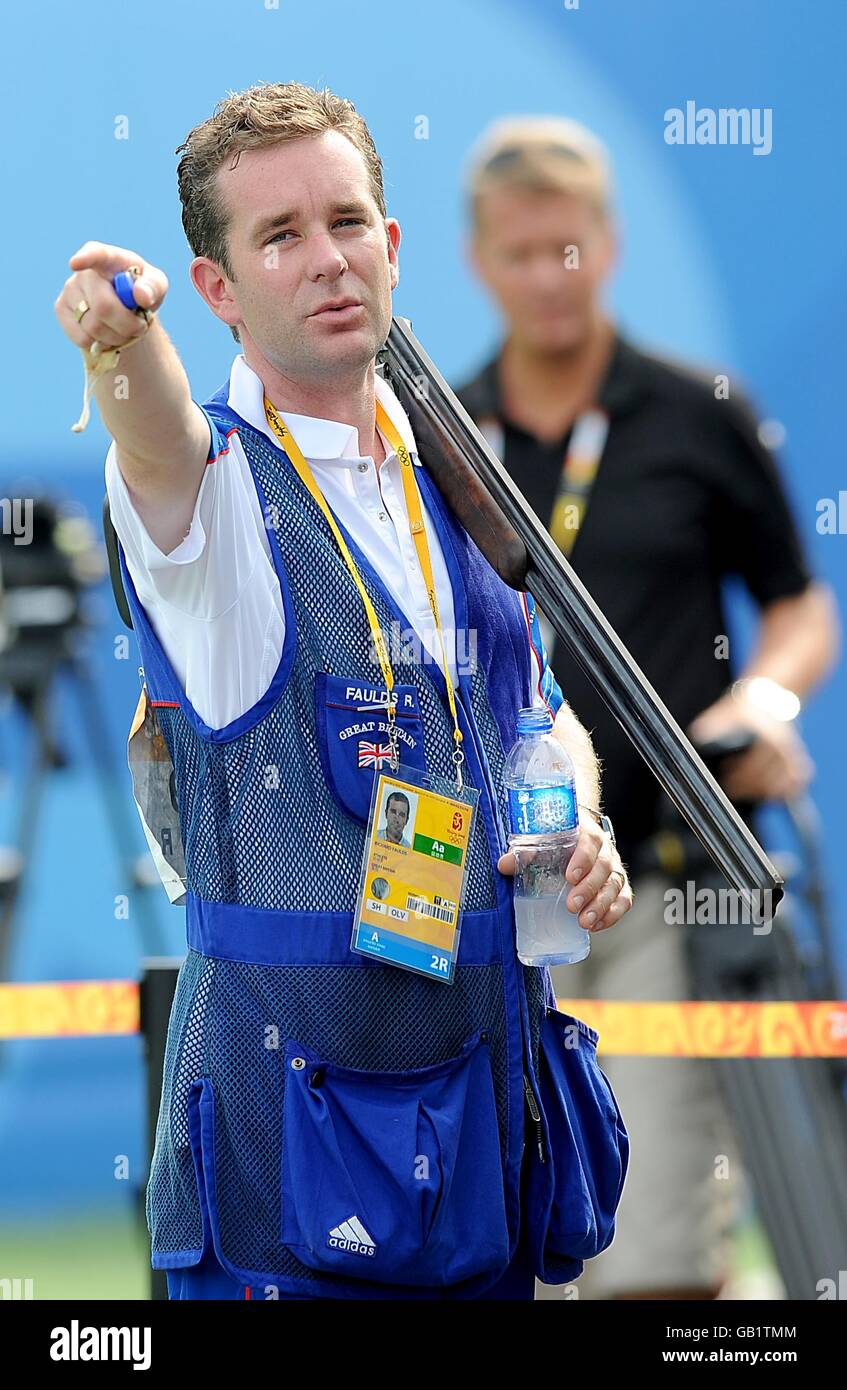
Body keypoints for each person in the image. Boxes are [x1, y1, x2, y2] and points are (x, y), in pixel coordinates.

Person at [55, 84, 633, 1302]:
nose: (326, 260)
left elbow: (528, 711)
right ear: (215, 289)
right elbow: (151, 439)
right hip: (291, 1179)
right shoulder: (208, 495)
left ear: (393, 244)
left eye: (347, 222)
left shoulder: (457, 475)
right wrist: (119, 340)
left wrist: (579, 817)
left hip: (486, 1150)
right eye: (278, 238)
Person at [455, 116, 839, 1301]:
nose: (547, 278)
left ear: (610, 245)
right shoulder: (442, 432)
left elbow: (796, 600)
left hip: (670, 879)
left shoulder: (695, 409)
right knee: (519, 1247)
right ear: (477, 261)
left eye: (568, 249)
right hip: (502, 888)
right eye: (521, 254)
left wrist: (764, 702)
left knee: (659, 1250)